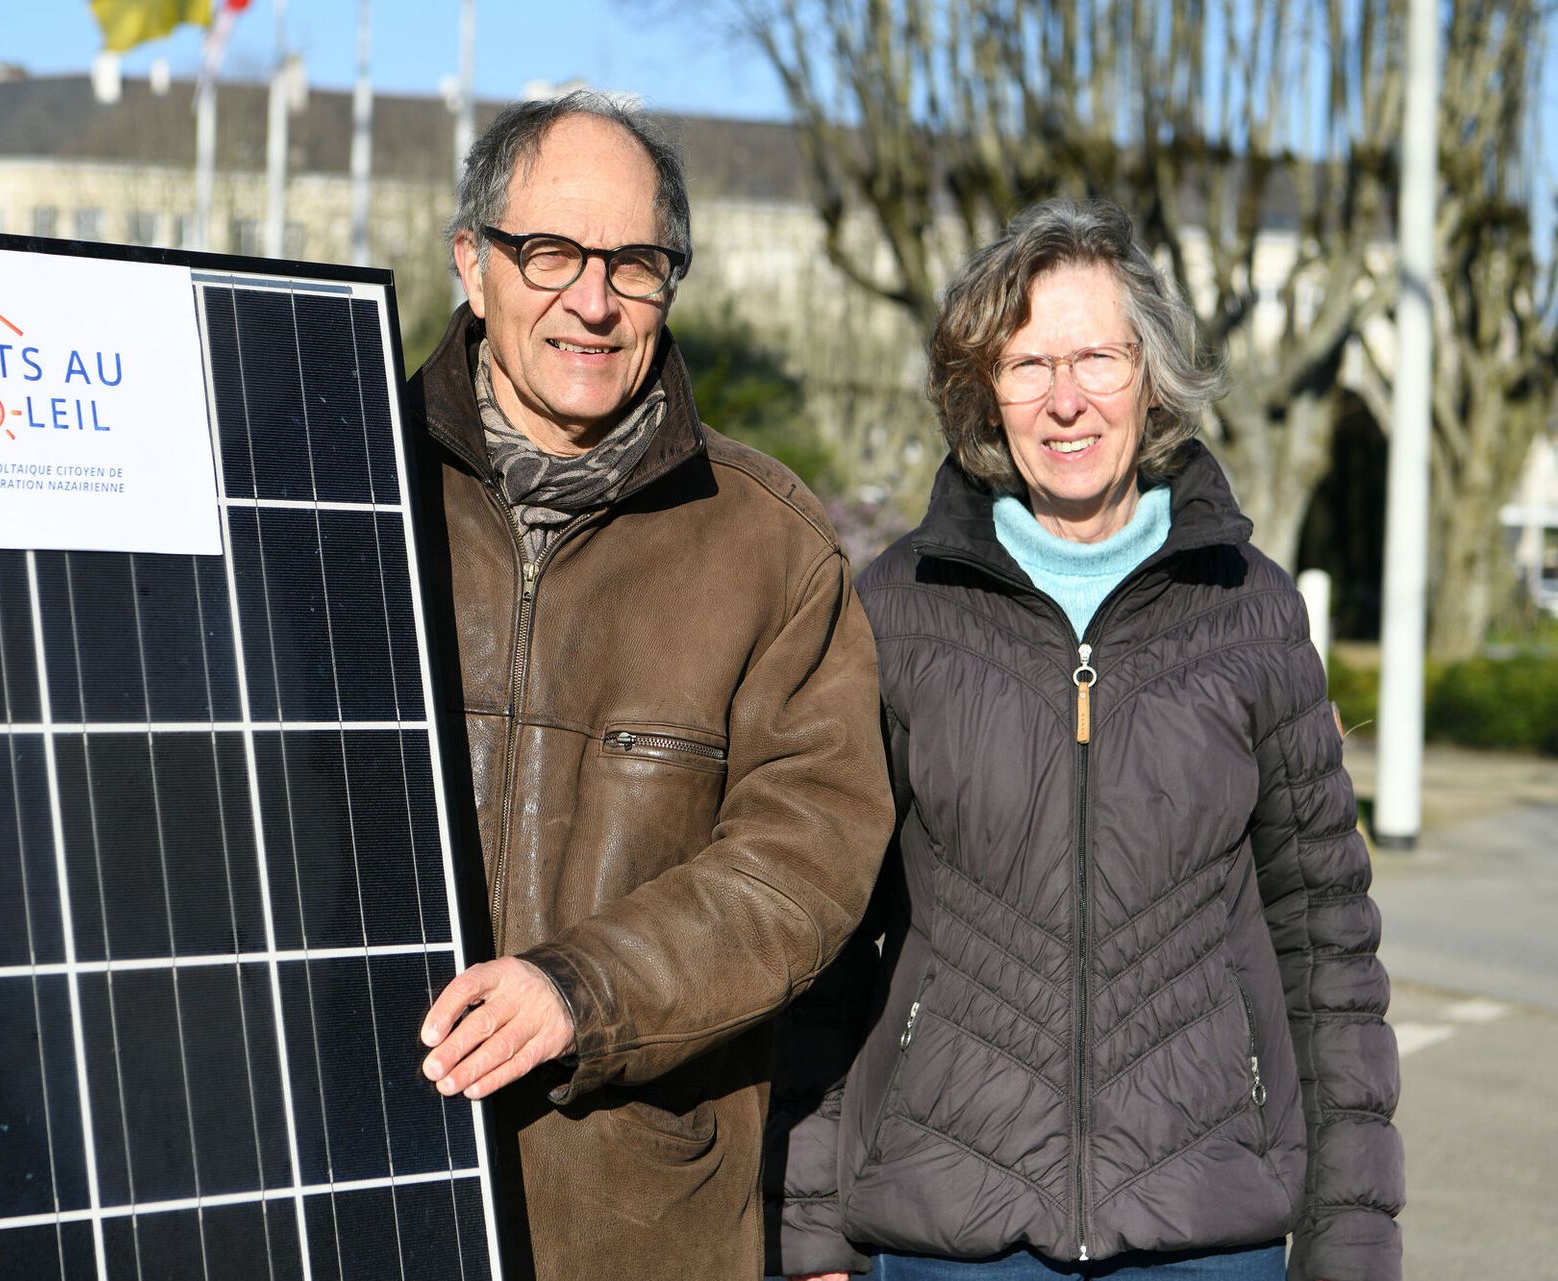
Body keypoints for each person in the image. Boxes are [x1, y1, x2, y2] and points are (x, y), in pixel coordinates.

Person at [768, 198, 1402, 1281]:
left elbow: (1326, 943)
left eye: (1097, 357)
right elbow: (830, 939)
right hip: (948, 1228)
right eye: (1027, 365)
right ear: (986, 391)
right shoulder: (898, 609)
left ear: (1149, 375)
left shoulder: (1250, 610)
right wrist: (812, 1218)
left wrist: (1351, 1235)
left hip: (1208, 1223)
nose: (1066, 400)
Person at [408, 91, 895, 1279]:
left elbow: (804, 860)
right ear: (474, 265)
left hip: (630, 1215)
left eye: (634, 262)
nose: (593, 298)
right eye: (552, 253)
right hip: (350, 1170)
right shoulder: (341, 490)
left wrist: (583, 992)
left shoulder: (768, 547)